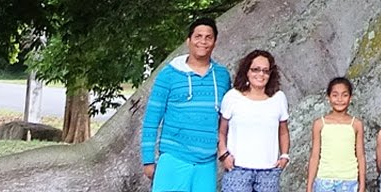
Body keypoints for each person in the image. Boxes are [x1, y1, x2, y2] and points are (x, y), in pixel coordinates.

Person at [141, 17, 233, 192]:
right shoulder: (168, 75)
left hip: (206, 163)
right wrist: (148, 160)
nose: (203, 41)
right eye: (198, 36)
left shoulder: (222, 76)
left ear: (215, 42)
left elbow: (226, 119)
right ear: (188, 40)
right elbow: (151, 119)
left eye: (208, 37)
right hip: (174, 158)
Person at [218, 49, 290, 192]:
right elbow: (221, 131)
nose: (260, 74)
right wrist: (223, 154)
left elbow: (283, 131)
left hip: (268, 171)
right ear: (247, 71)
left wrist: (284, 156)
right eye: (255, 70)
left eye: (265, 70)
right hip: (237, 170)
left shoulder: (279, 98)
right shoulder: (232, 97)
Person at [306, 77, 367, 192]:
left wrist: (362, 185)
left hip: (349, 180)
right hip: (324, 179)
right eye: (335, 95)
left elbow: (361, 156)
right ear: (328, 97)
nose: (340, 99)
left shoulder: (356, 124)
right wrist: (309, 186)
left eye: (344, 95)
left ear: (351, 98)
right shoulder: (319, 124)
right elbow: (314, 156)